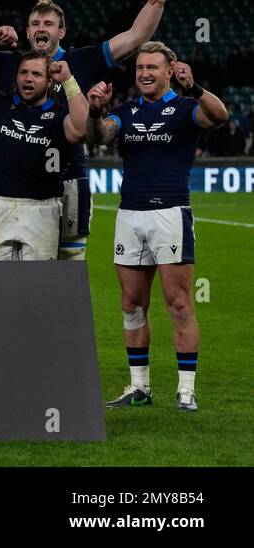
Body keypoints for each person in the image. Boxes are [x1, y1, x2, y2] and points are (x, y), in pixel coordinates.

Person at [0, 0, 183, 258]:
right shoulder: (10, 63)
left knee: (68, 265)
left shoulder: (81, 60)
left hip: (70, 177)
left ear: (61, 32)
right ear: (27, 31)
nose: (40, 27)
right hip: (15, 183)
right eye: (34, 23)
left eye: (48, 23)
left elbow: (137, 35)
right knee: (12, 274)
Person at [86, 43, 228, 413]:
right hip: (129, 215)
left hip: (170, 213)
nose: (145, 73)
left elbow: (220, 115)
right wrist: (94, 110)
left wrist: (194, 88)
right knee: (131, 305)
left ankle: (185, 390)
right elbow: (98, 136)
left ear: (169, 71)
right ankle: (139, 388)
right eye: (140, 68)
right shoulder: (125, 112)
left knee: (179, 303)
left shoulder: (184, 108)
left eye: (152, 67)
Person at [0, 44, 89, 261]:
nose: (28, 78)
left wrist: (69, 80)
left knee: (36, 290)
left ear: (49, 81)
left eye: (36, 74)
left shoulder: (59, 115)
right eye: (23, 72)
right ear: (15, 77)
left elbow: (83, 130)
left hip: (43, 210)